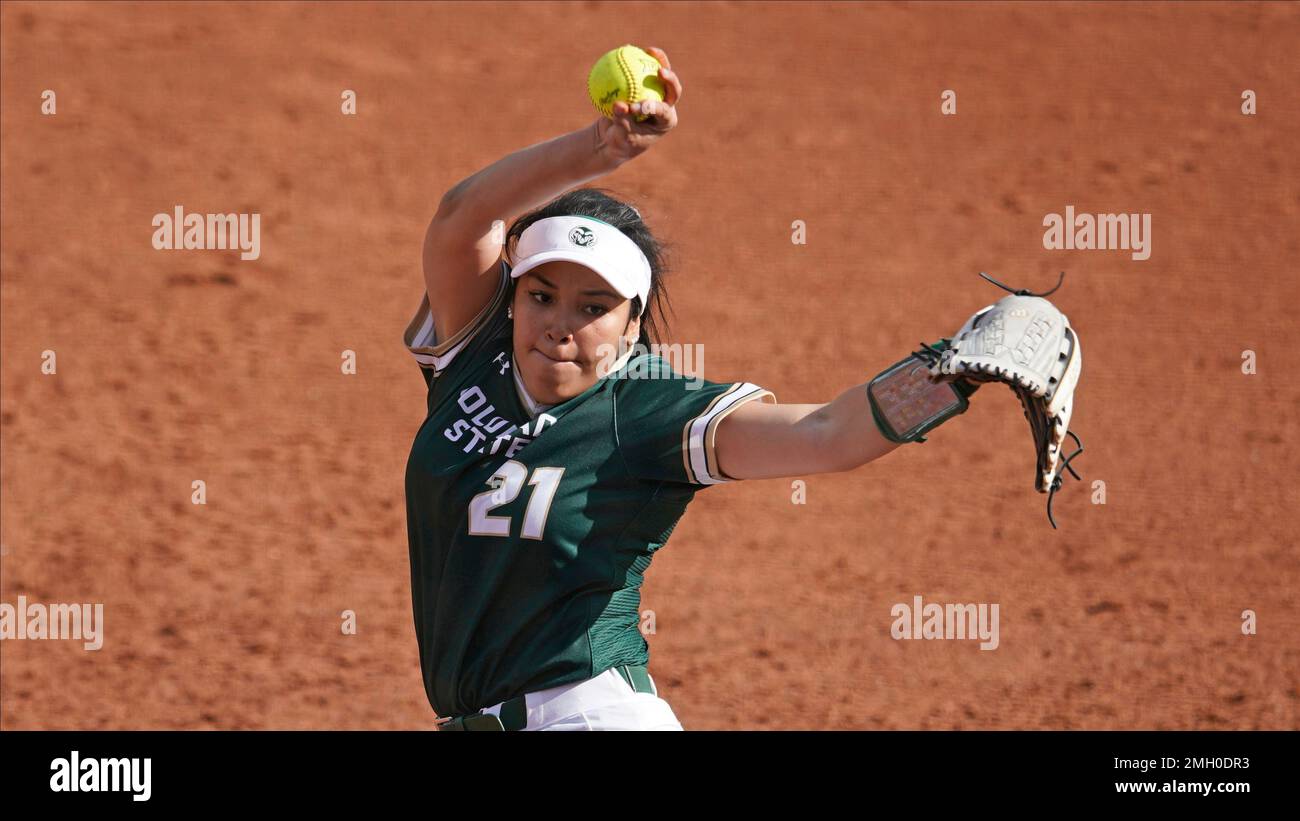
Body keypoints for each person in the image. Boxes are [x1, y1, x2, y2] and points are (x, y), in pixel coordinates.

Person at [403, 46, 974, 730]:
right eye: (542, 295)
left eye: (593, 308)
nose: (559, 325)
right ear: (514, 296)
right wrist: (599, 148)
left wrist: (954, 370)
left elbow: (829, 434)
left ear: (632, 321)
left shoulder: (643, 410)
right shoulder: (471, 358)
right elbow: (463, 214)